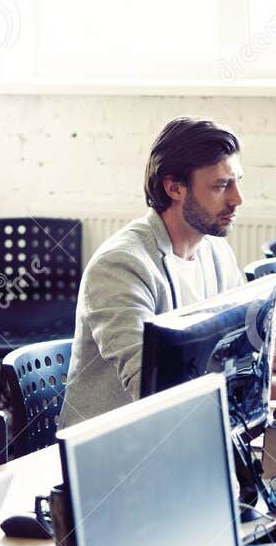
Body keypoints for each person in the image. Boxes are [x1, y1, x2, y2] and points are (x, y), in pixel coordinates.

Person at [59, 117, 251, 429]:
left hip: (182, 432)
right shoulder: (120, 265)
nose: (237, 199)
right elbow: (152, 390)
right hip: (117, 450)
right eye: (221, 186)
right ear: (175, 188)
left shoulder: (216, 252)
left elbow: (250, 335)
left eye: (237, 181)